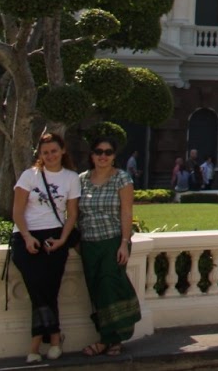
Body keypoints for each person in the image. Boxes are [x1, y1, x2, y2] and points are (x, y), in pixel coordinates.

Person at [11, 130, 81, 362]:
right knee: (38, 289)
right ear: (39, 154)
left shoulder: (71, 178)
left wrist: (63, 239)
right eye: (45, 152)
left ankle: (37, 346)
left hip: (55, 236)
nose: (50, 156)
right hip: (26, 236)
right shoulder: (29, 176)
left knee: (49, 289)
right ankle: (53, 337)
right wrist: (27, 236)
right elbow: (17, 211)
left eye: (54, 151)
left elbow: (72, 214)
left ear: (62, 151)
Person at [77, 135, 140, 356]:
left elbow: (126, 212)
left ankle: (111, 340)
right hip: (89, 243)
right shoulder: (82, 180)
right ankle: (107, 338)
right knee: (96, 290)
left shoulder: (121, 178)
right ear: (92, 155)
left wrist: (124, 243)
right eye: (98, 152)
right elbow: (74, 213)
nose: (103, 156)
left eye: (108, 152)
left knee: (110, 287)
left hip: (113, 241)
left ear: (114, 156)